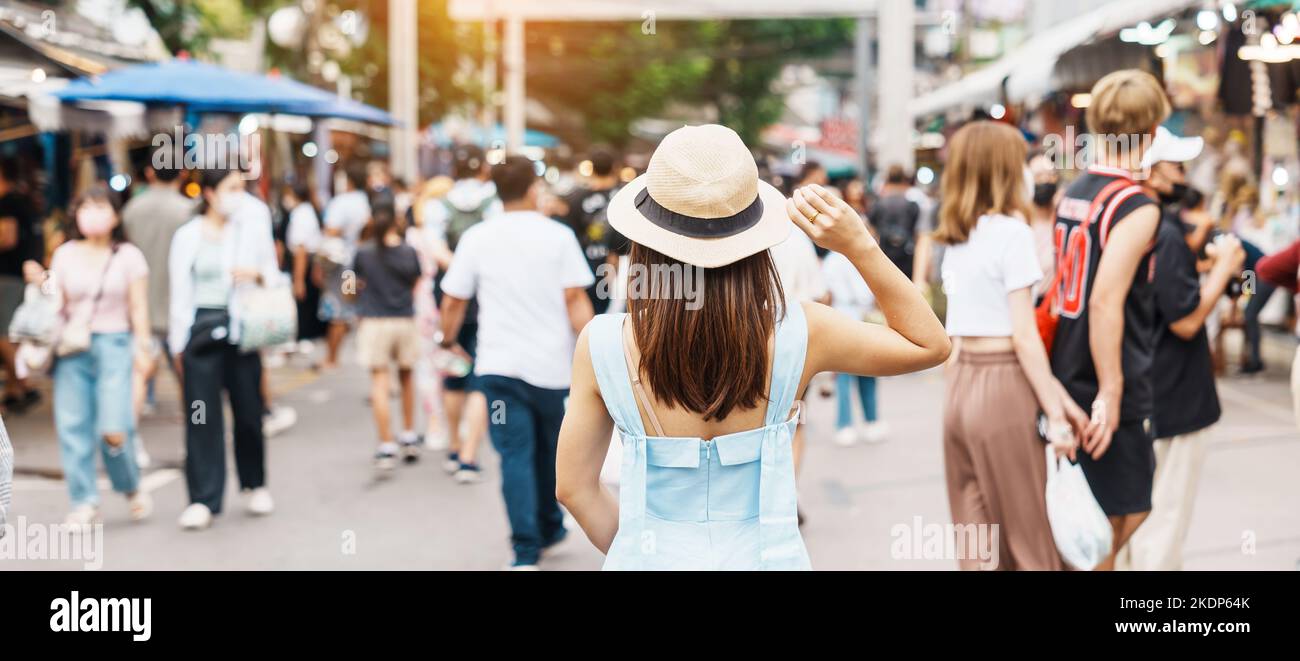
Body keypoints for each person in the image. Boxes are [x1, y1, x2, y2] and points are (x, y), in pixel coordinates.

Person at [555, 124, 950, 570]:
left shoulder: (602, 343)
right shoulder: (802, 330)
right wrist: (858, 245)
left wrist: (641, 551)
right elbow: (929, 344)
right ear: (754, 235)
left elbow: (573, 487)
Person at [934, 122, 1087, 570]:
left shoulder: (957, 237)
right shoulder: (1012, 232)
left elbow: (958, 331)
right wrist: (1056, 415)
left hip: (960, 384)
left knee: (977, 538)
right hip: (1003, 385)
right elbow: (1023, 335)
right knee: (1029, 538)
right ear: (1004, 170)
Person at [438, 155, 595, 569]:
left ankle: (527, 548)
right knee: (549, 450)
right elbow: (575, 299)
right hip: (552, 370)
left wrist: (447, 339)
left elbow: (454, 298)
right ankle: (548, 526)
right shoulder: (557, 236)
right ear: (533, 188)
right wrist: (597, 348)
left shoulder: (477, 237)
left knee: (514, 454)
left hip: (498, 371)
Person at [1050, 70, 1168, 570]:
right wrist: (1112, 391)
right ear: (1151, 128)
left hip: (1067, 362)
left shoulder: (1074, 190)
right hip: (1103, 371)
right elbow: (1105, 300)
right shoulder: (1135, 204)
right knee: (1113, 518)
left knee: (1102, 514)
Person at [1117, 127, 1245, 571]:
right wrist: (1224, 267)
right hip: (1175, 394)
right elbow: (1187, 320)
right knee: (1164, 520)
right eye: (1176, 166)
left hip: (1147, 388)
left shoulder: (1137, 225)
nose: (1184, 175)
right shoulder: (1164, 232)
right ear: (1150, 172)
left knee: (1141, 518)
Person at [24, 185, 153, 525]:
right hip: (71, 346)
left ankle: (129, 484)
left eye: (99, 207)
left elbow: (138, 307)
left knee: (115, 428)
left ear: (115, 215)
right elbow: (56, 298)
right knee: (73, 425)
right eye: (85, 207)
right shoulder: (65, 253)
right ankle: (83, 500)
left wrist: (143, 348)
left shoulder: (128, 256)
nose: (91, 214)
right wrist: (41, 281)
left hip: (115, 344)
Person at [169, 168, 281, 530]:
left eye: (241, 187)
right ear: (210, 193)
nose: (239, 194)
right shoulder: (187, 236)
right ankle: (203, 499)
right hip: (200, 333)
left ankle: (255, 483)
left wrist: (257, 275)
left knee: (249, 410)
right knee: (201, 417)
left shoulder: (250, 227)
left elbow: (273, 273)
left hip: (242, 330)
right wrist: (177, 344)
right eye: (231, 188)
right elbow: (178, 293)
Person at [426, 145, 499, 481]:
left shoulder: (438, 205)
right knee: (481, 377)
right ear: (482, 168)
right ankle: (470, 455)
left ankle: (454, 448)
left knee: (453, 371)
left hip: (451, 294)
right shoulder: (493, 202)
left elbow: (434, 247)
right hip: (487, 295)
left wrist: (458, 270)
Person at [121, 164, 193, 467]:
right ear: (182, 175)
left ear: (149, 172)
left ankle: (130, 444)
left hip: (141, 309)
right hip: (179, 310)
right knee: (191, 385)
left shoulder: (131, 209)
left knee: (136, 381)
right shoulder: (189, 211)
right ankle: (196, 440)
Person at [354, 197, 423, 473]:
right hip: (405, 319)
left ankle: (386, 444)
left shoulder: (363, 252)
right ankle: (408, 434)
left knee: (380, 382)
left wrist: (359, 293)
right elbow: (416, 281)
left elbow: (350, 285)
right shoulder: (408, 251)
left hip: (375, 322)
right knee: (407, 378)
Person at [821, 245, 887, 445]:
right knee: (869, 375)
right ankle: (872, 421)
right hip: (866, 319)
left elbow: (826, 295)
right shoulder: (865, 255)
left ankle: (844, 425)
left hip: (840, 319)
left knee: (843, 378)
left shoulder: (831, 260)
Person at [319, 162, 371, 370]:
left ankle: (332, 358)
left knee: (339, 309)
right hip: (358, 264)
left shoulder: (341, 202)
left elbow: (331, 229)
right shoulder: (365, 201)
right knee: (354, 306)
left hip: (342, 265)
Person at [0, 160, 42, 413]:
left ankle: (22, 382)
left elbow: (6, 238)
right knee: (8, 334)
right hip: (16, 276)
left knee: (3, 335)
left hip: (7, 276)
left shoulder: (8, 202)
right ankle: (14, 389)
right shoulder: (22, 201)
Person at [562, 147, 622, 314]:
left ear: (592, 168)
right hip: (620, 268)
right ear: (614, 167)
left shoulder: (575, 198)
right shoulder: (625, 196)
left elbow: (570, 233)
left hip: (584, 267)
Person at [281, 181, 326, 350]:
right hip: (308, 261)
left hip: (303, 263)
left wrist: (298, 280)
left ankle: (303, 337)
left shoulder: (301, 214)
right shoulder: (307, 211)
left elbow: (301, 249)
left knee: (303, 301)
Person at [872, 164, 923, 278]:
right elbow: (918, 235)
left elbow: (873, 231)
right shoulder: (912, 205)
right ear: (904, 181)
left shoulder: (878, 205)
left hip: (885, 255)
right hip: (907, 256)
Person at [1027, 153, 1060, 298]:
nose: (1046, 181)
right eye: (1039, 177)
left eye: (1050, 175)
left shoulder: (1063, 221)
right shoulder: (1021, 224)